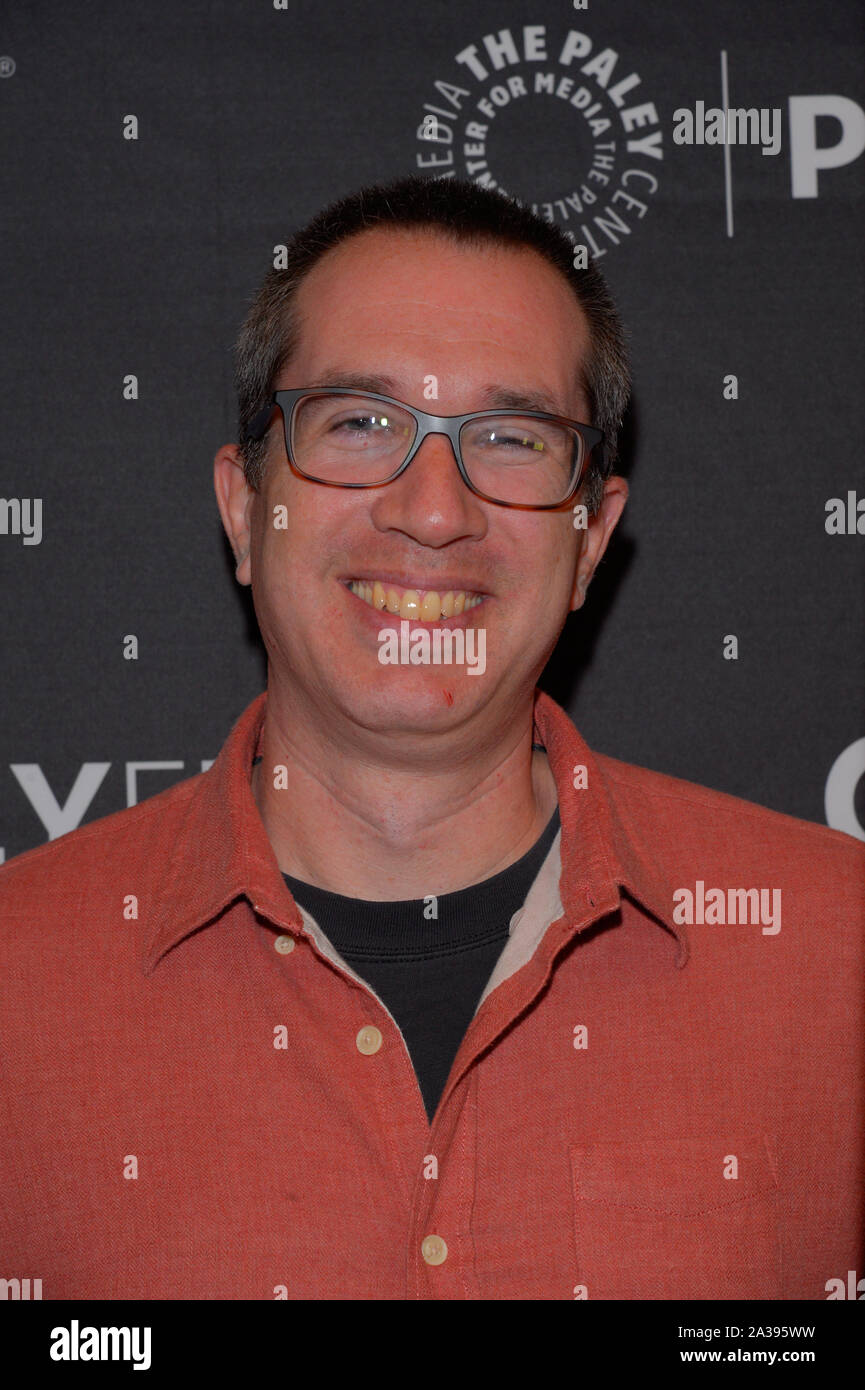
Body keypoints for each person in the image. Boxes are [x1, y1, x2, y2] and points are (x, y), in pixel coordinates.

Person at [0, 175, 861, 1302]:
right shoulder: (20, 984)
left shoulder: (837, 958)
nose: (434, 508)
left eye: (509, 437)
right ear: (240, 511)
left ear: (589, 540)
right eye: (359, 422)